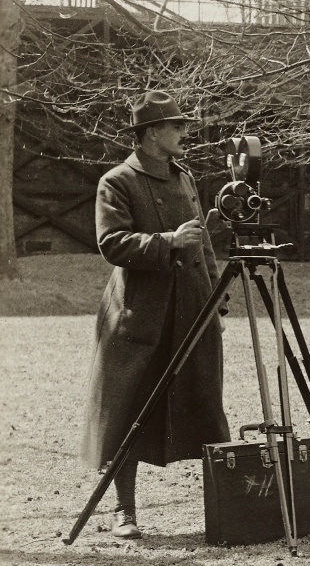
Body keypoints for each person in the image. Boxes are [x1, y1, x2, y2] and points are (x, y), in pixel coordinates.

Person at [81, 92, 229, 539]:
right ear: (150, 134)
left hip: (192, 310)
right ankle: (123, 510)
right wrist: (167, 242)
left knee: (204, 404)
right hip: (139, 316)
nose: (184, 133)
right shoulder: (117, 181)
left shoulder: (184, 177)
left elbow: (202, 243)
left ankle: (228, 510)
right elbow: (111, 243)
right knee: (128, 410)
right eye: (176, 126)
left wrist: (217, 298)